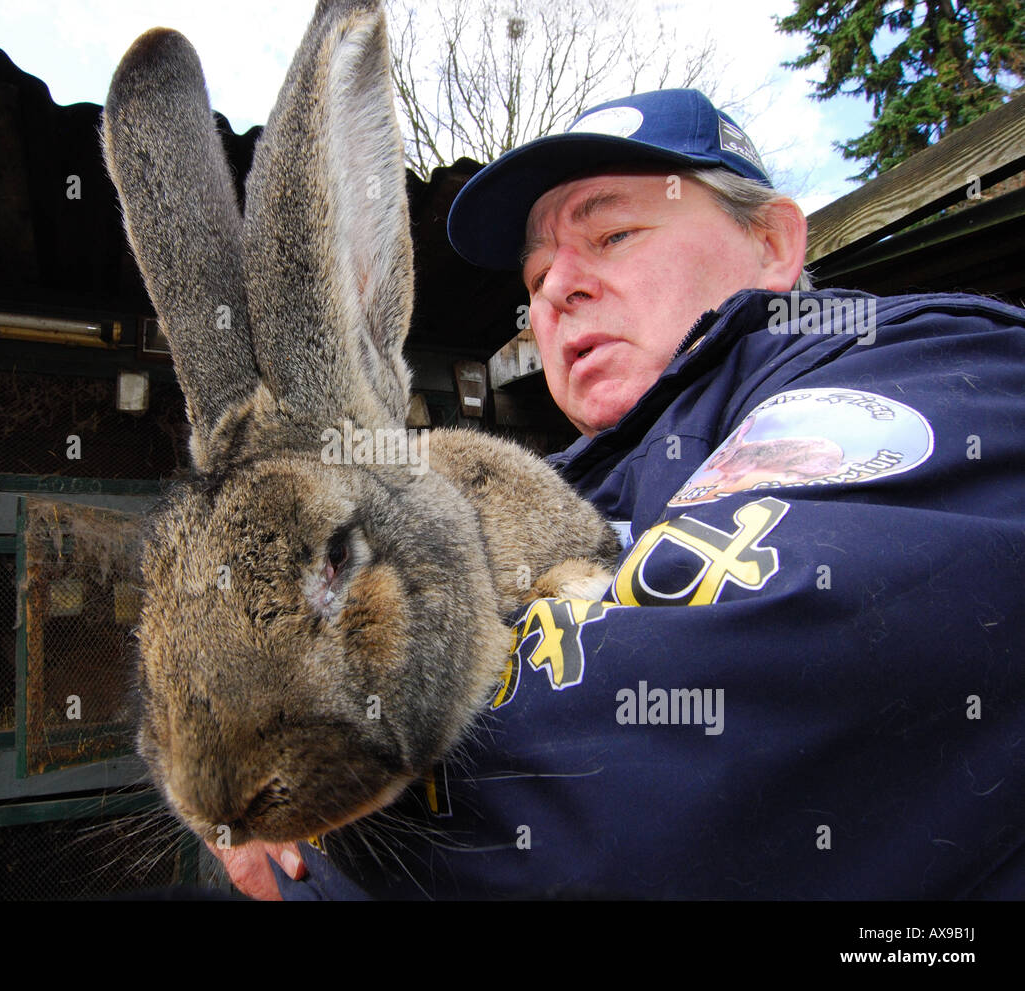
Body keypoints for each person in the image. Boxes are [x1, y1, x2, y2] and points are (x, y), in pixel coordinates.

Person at [215, 88, 1025, 899]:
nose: (553, 291)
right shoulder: (536, 483)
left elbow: (652, 791)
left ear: (773, 242)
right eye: (533, 277)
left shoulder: (934, 370)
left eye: (612, 234)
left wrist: (317, 802)